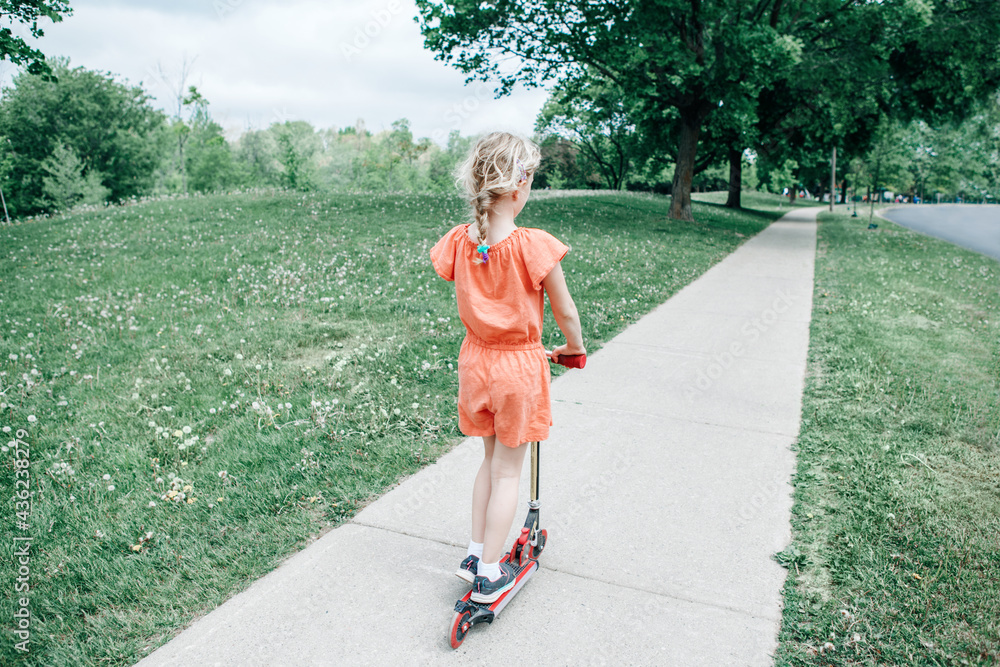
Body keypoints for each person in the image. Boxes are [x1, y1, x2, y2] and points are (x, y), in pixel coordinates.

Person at [429, 132, 585, 604]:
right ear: (520, 185)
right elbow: (566, 312)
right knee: (506, 475)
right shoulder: (532, 246)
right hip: (517, 369)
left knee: (488, 462)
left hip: (475, 364)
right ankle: (489, 573)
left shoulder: (460, 241)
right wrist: (573, 347)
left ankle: (475, 552)